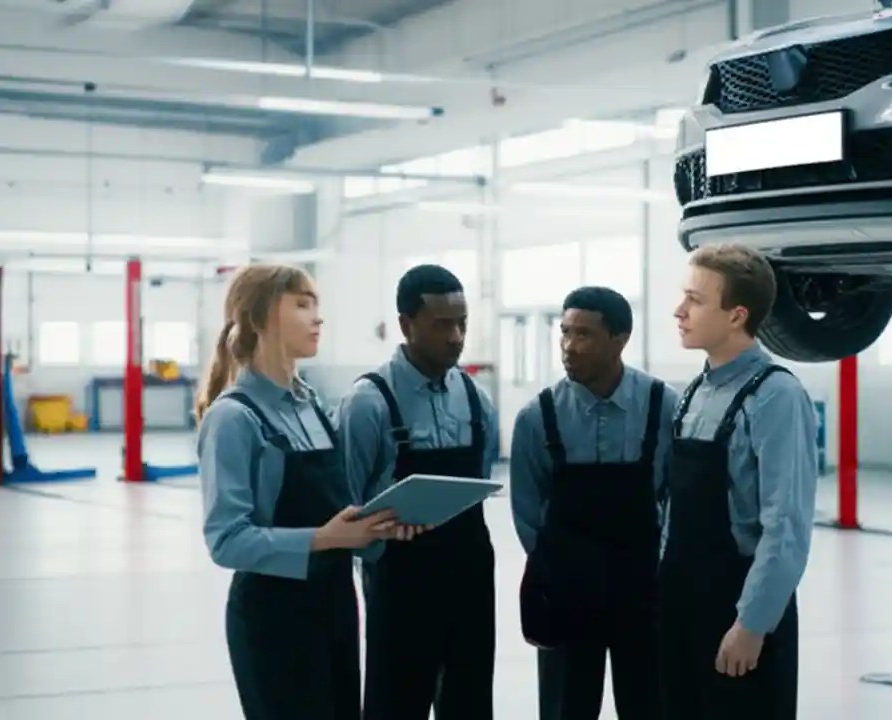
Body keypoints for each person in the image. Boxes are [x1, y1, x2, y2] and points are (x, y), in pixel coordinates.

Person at [195, 263, 425, 720]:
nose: (317, 318)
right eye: (302, 304)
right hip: (273, 618)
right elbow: (226, 540)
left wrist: (381, 524)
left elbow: (340, 513)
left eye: (317, 305)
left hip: (336, 606)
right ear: (259, 318)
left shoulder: (316, 408)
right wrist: (325, 539)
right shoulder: (235, 418)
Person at [335, 263, 501, 720]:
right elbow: (345, 506)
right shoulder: (368, 404)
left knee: (469, 699)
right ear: (406, 325)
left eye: (462, 323)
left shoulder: (476, 400)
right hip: (400, 584)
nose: (455, 336)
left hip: (469, 576)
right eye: (441, 325)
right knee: (396, 703)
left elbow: (477, 481)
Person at [662, 243, 818, 719]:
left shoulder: (776, 397)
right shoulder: (694, 393)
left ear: (737, 315)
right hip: (680, 602)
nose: (679, 310)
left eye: (695, 300)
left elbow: (786, 526)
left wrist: (752, 624)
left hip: (737, 605)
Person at [510, 286, 677, 720]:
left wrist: (661, 569)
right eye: (563, 333)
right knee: (566, 709)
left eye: (583, 335)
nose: (568, 346)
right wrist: (558, 572)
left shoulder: (664, 408)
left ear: (620, 339)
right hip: (567, 596)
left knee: (651, 706)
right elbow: (528, 512)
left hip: (643, 593)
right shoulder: (536, 417)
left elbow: (676, 497)